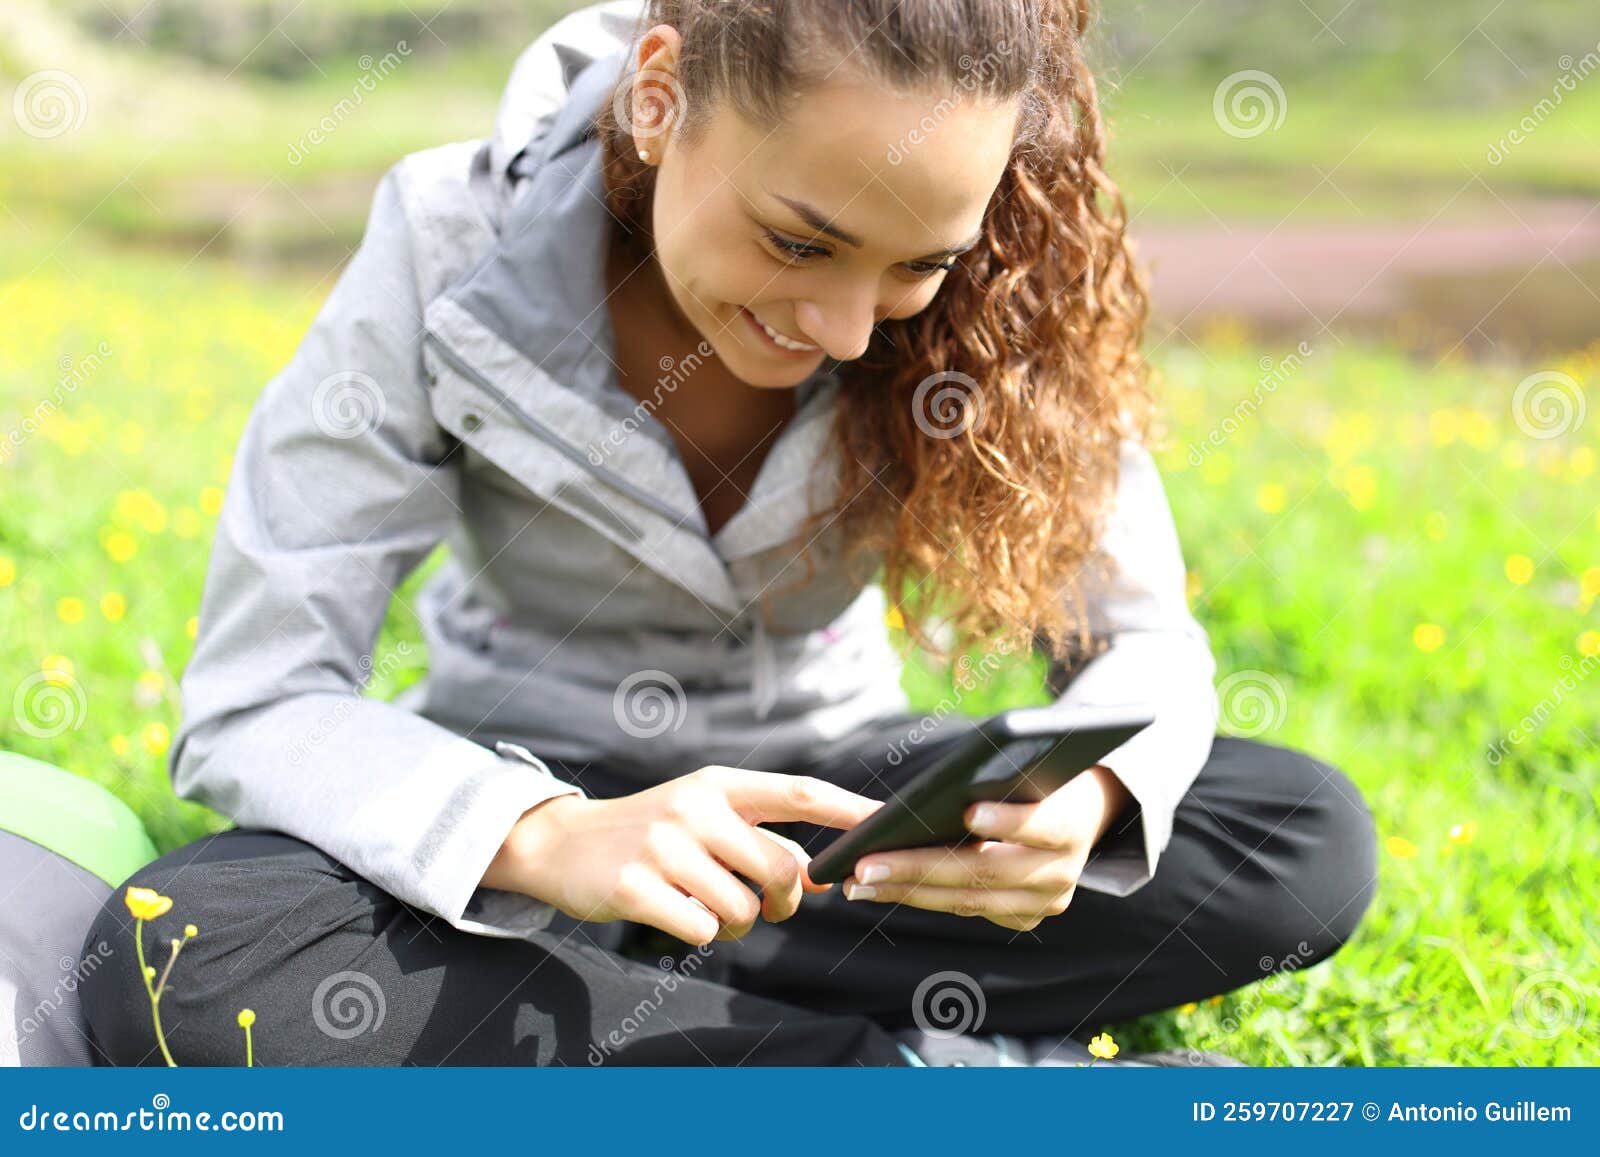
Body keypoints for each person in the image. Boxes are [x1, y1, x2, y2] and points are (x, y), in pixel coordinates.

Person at [79, 0, 1376, 1067]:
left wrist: (1092, 800)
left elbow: (1141, 648)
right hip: (540, 797)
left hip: (838, 835)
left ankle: (634, 996)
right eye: (798, 240)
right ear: (659, 96)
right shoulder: (443, 243)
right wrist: (543, 835)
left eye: (913, 266)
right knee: (186, 944)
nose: (854, 329)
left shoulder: (999, 272)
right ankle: (909, 1073)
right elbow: (254, 697)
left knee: (1295, 833)